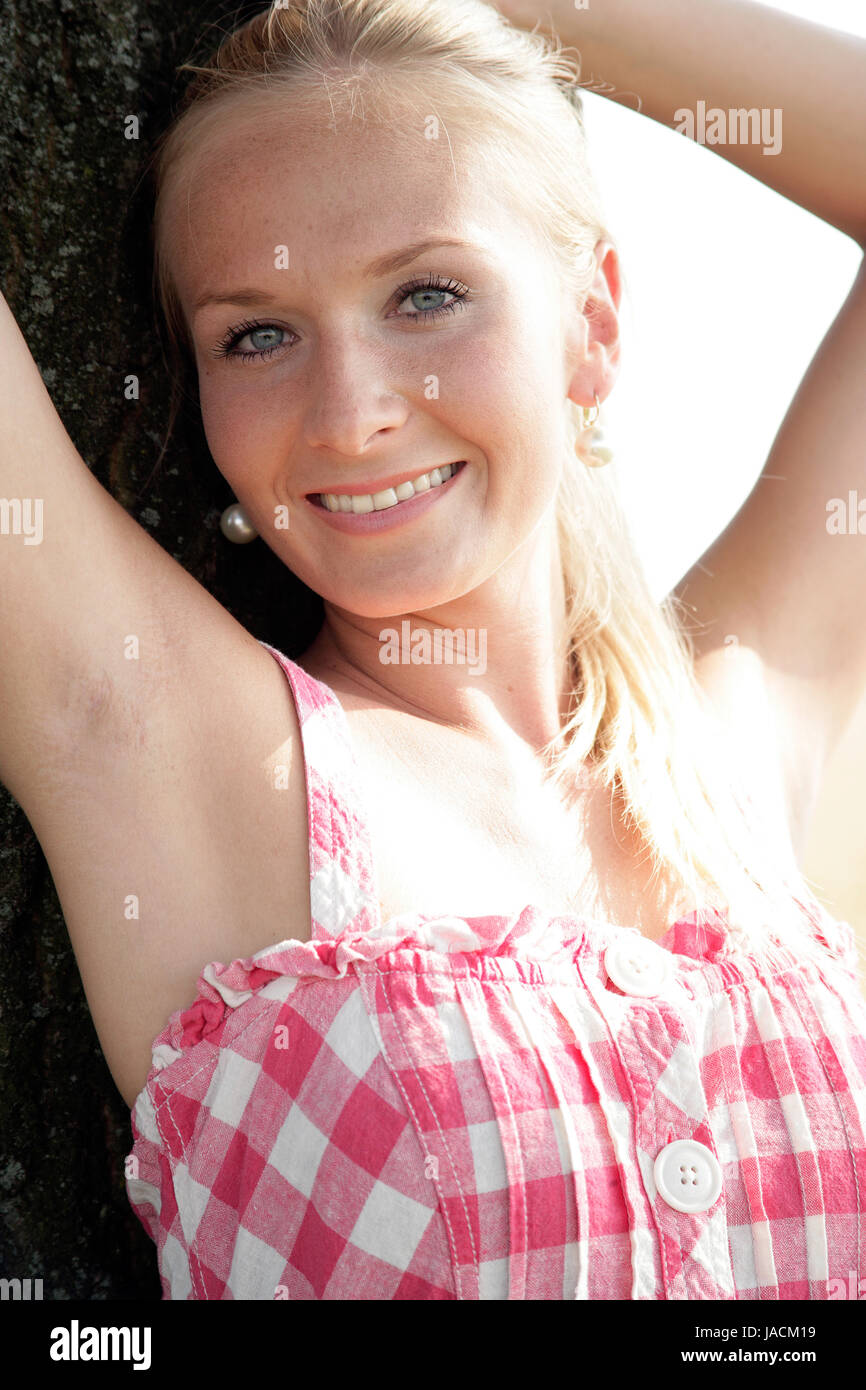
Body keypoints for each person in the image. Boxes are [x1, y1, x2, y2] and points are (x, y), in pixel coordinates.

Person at [1, 0, 865, 1300]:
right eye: (258, 334)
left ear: (593, 323)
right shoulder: (190, 766)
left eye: (425, 293)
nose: (349, 416)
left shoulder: (732, 739)